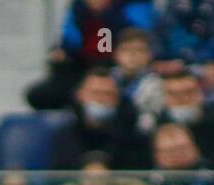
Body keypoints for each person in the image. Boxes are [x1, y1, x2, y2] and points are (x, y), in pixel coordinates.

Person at [26, 0, 157, 111]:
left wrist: (106, 12)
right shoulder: (79, 7)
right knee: (39, 95)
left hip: (115, 68)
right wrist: (62, 52)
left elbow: (137, 35)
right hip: (82, 68)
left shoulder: (135, 4)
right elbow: (70, 40)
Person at [141, 67, 214, 167]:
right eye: (174, 94)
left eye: (189, 92)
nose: (182, 99)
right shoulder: (155, 127)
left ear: (200, 93)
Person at [52, 66, 151, 169]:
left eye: (108, 94)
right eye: (95, 93)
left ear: (118, 98)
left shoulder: (133, 137)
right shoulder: (65, 136)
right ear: (80, 95)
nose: (101, 99)